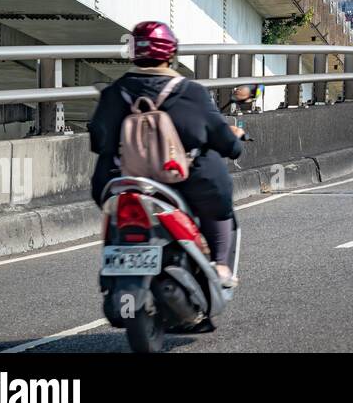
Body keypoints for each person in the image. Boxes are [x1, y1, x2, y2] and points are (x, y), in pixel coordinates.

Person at [89, 21, 245, 286]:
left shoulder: (113, 93)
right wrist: (235, 141)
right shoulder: (191, 92)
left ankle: (114, 261)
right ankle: (220, 266)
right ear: (171, 53)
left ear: (134, 51)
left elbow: (98, 140)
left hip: (121, 182)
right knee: (219, 199)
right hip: (184, 182)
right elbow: (222, 140)